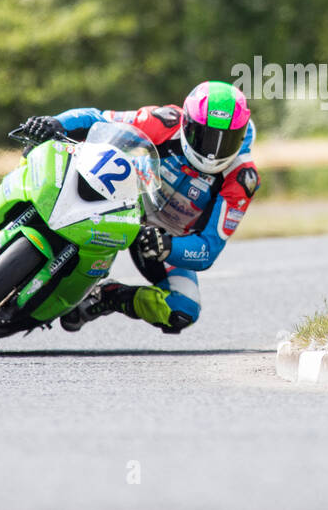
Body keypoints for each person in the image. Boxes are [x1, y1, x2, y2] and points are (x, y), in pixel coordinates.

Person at [14, 80, 258, 335]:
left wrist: (167, 247)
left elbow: (207, 249)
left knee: (183, 309)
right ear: (187, 123)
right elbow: (97, 118)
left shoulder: (242, 178)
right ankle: (6, 208)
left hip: (160, 238)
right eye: (206, 137)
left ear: (240, 137)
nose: (213, 152)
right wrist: (56, 123)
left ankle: (108, 296)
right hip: (120, 201)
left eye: (226, 141)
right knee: (39, 145)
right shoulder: (165, 121)